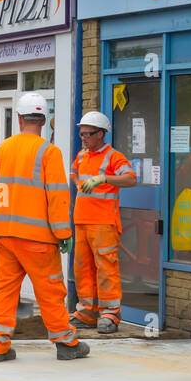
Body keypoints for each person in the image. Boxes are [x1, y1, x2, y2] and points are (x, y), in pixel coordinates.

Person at [0, 92, 88, 363]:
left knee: (4, 290)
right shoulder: (48, 152)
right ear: (44, 120)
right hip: (37, 238)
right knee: (50, 291)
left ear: (18, 119)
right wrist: (64, 233)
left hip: (3, 235)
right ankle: (66, 343)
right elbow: (57, 196)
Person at [69, 111, 137, 334]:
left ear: (101, 134)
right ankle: (87, 312)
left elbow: (131, 178)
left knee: (106, 269)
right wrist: (79, 182)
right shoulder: (82, 155)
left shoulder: (113, 157)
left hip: (103, 223)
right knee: (83, 269)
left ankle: (110, 314)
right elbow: (73, 171)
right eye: (81, 134)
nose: (84, 138)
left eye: (88, 134)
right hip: (82, 221)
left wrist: (104, 178)